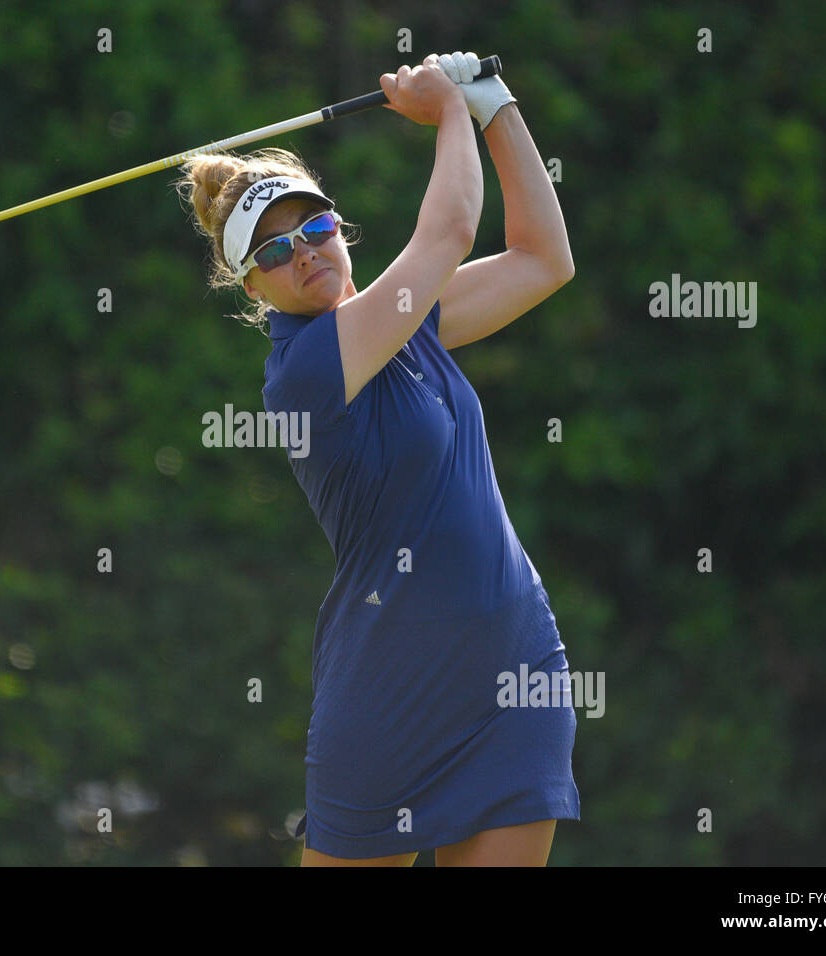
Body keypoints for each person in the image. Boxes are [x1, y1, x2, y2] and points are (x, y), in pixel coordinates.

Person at [176, 52, 577, 866]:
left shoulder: (410, 325)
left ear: (339, 230)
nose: (304, 253)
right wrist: (449, 111)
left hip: (515, 666)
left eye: (314, 229)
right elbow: (450, 231)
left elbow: (544, 259)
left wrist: (495, 105)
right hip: (391, 694)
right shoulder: (306, 370)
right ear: (253, 289)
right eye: (274, 253)